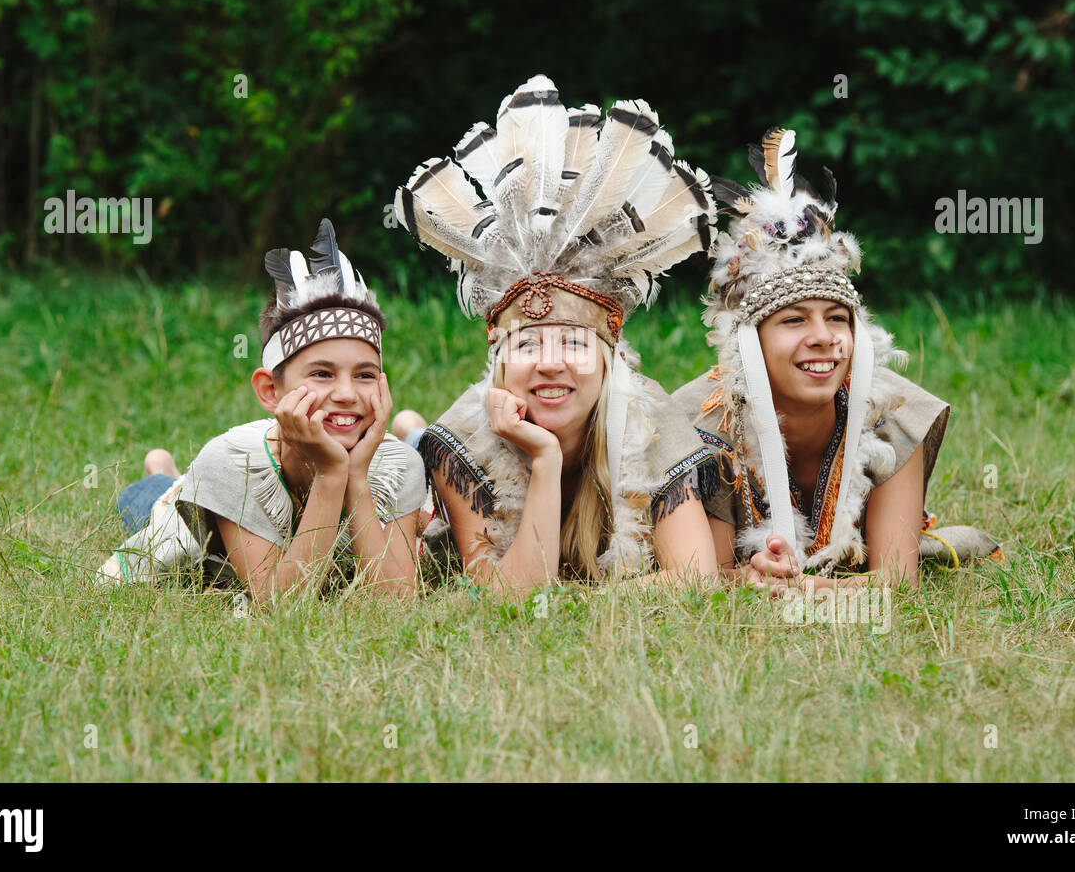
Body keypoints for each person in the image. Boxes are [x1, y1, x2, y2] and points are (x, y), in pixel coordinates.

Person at [393, 75, 722, 594]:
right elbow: (508, 598)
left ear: (612, 358)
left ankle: (410, 428)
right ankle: (412, 435)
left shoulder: (651, 421)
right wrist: (544, 459)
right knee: (420, 445)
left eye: (573, 342)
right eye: (526, 343)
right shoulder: (464, 438)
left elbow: (696, 581)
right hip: (449, 458)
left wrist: (577, 600)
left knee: (415, 433)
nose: (550, 363)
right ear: (498, 363)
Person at [672, 128, 999, 593]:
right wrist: (749, 578)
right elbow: (708, 577)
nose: (824, 338)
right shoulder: (703, 425)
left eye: (837, 319)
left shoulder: (893, 414)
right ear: (750, 342)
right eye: (793, 321)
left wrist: (812, 590)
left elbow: (894, 582)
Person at [99, 219, 427, 602]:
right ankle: (161, 470)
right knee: (149, 505)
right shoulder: (228, 463)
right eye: (322, 373)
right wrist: (332, 471)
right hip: (188, 511)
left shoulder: (399, 464)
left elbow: (396, 600)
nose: (346, 393)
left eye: (365, 375)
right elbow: (283, 605)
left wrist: (355, 474)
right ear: (270, 391)